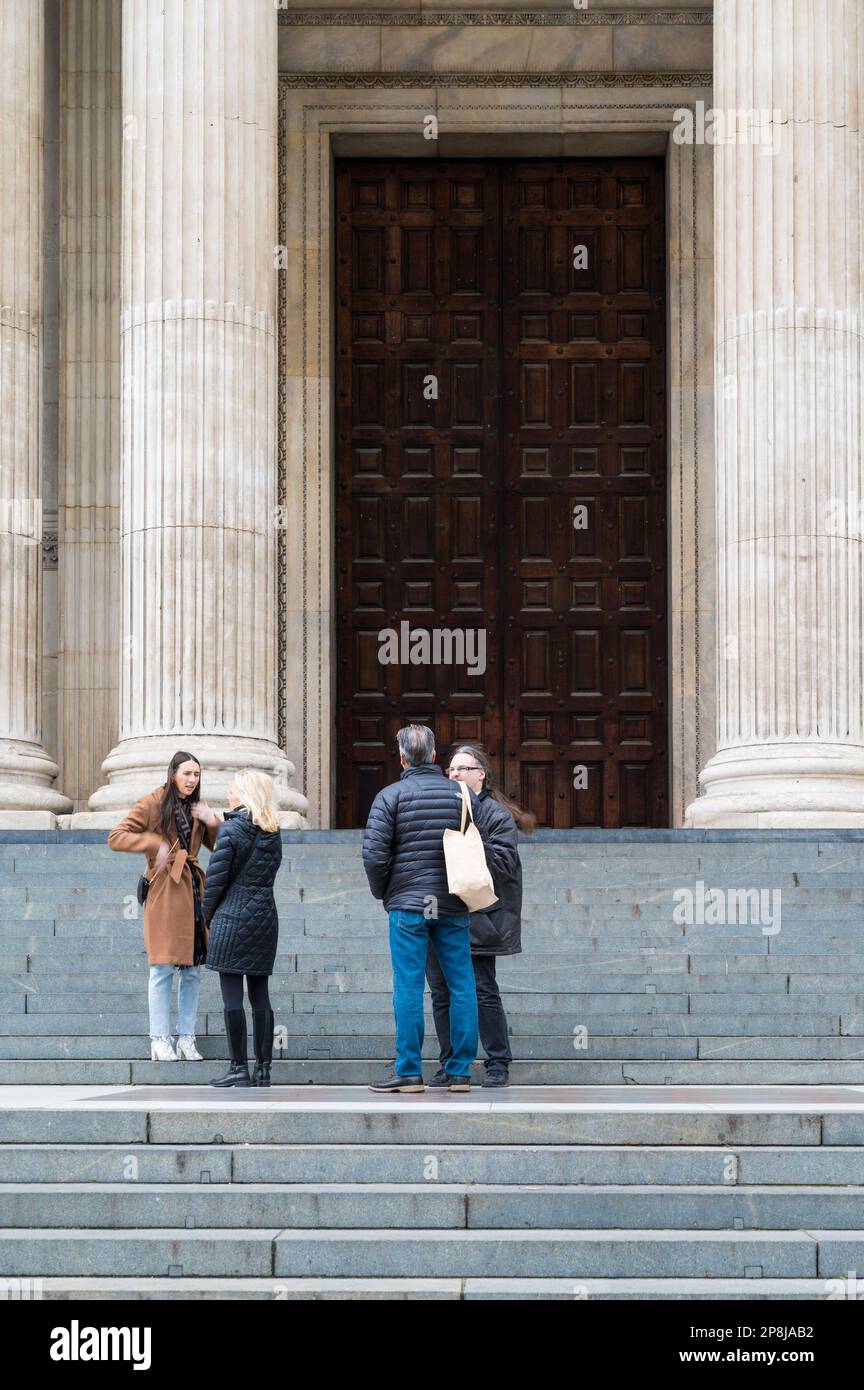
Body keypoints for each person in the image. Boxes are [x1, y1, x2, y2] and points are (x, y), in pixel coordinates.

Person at [362, 723, 517, 1093]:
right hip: (451, 904)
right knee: (462, 984)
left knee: (409, 986)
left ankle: (410, 1071)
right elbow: (480, 845)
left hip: (409, 905)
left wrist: (385, 893)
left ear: (402, 758)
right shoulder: (463, 796)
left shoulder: (389, 796)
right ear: (434, 756)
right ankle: (461, 1071)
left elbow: (374, 855)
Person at [426, 745, 534, 1089]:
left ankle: (498, 1062)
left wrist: (468, 845)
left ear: (480, 774)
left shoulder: (495, 815)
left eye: (462, 768)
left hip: (479, 917)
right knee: (441, 991)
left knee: (482, 990)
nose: (454, 774)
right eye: (451, 769)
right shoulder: (443, 809)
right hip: (440, 913)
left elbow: (503, 866)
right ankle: (450, 1063)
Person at [108, 751, 222, 1061]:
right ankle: (159, 1039)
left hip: (194, 892)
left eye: (197, 774)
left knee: (193, 970)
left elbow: (220, 845)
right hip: (163, 891)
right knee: (161, 968)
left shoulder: (198, 808)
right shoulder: (150, 803)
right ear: (172, 773)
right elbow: (116, 837)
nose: (192, 779)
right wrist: (152, 843)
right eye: (186, 773)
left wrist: (214, 822)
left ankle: (186, 1037)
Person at [202, 769, 282, 1088]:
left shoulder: (231, 831)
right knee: (260, 995)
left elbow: (216, 881)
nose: (228, 794)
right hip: (264, 919)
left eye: (233, 789)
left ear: (245, 794)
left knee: (232, 996)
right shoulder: (273, 831)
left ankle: (238, 1067)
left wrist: (204, 917)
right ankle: (263, 1069)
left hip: (233, 918)